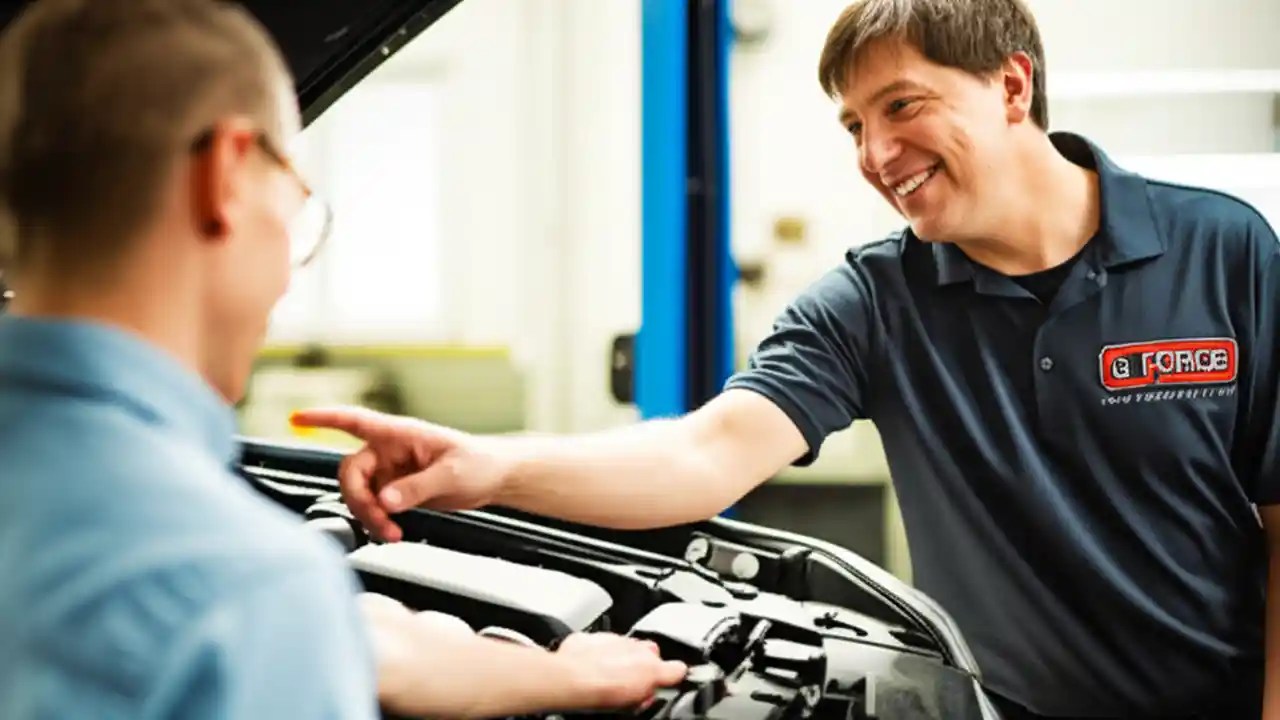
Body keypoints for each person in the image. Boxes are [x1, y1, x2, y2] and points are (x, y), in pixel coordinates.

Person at [290, 0, 1280, 718]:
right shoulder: (877, 298)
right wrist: (490, 467)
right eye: (853, 125)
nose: (872, 152)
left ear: (1009, 84)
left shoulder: (1223, 249)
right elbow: (699, 457)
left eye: (900, 107)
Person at [0, 1, 686, 718]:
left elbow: (353, 637)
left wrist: (558, 677)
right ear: (226, 176)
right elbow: (255, 609)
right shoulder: (239, 591)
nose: (288, 270)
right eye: (296, 202)